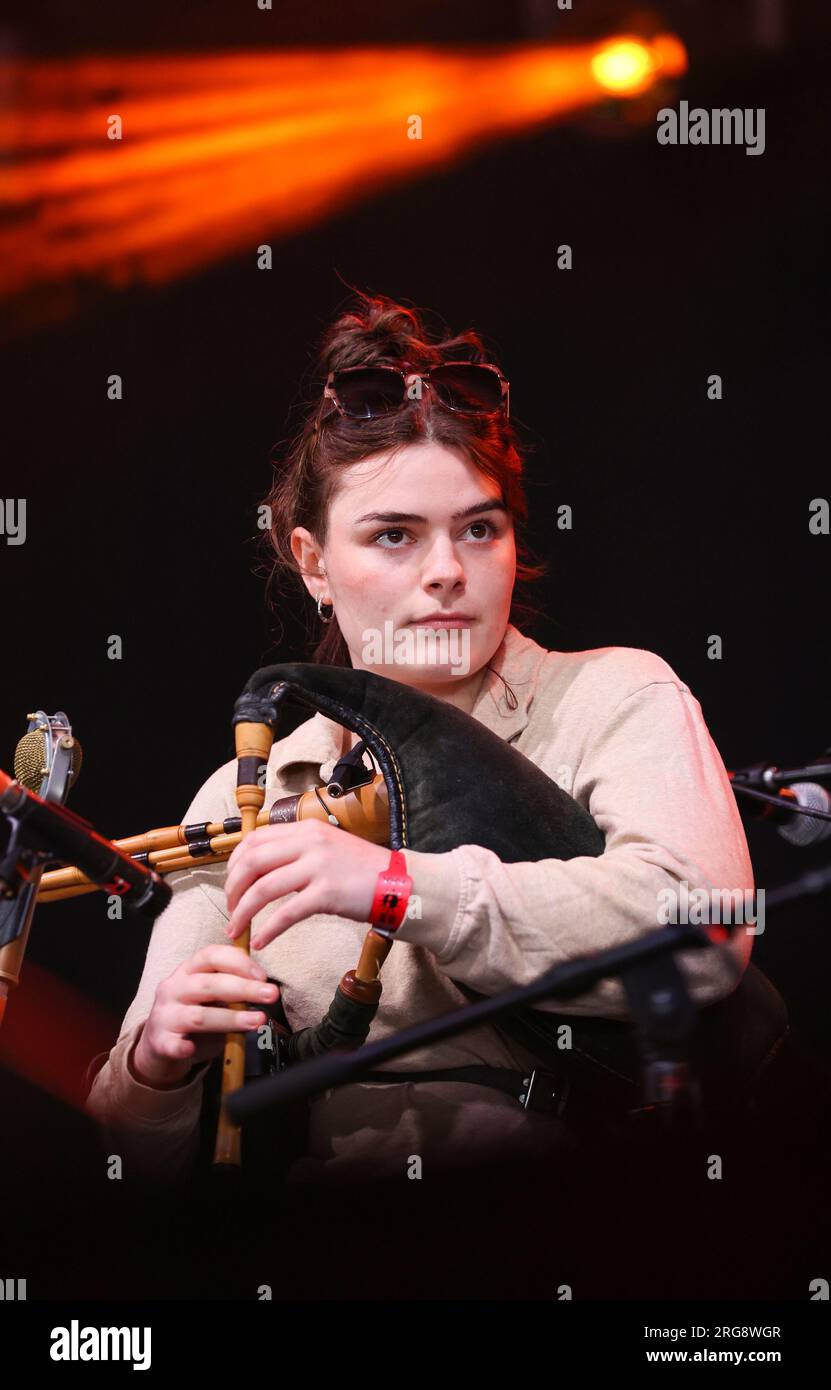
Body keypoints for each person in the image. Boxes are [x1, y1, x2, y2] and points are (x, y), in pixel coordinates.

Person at [85, 290, 753, 1187]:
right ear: (313, 563)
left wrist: (399, 887)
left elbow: (703, 934)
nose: (447, 571)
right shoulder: (250, 788)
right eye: (393, 536)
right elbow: (125, 1162)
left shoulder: (612, 693)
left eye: (479, 528)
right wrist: (152, 1069)